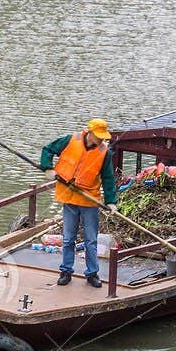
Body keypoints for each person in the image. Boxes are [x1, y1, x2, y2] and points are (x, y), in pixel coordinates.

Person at [39, 119, 118, 287]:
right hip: (69, 196)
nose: (101, 140)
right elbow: (48, 150)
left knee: (91, 239)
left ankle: (92, 274)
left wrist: (111, 201)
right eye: (99, 136)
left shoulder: (105, 152)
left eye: (103, 137)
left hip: (89, 199)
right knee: (68, 238)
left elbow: (108, 178)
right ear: (90, 133)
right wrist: (48, 168)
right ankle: (66, 271)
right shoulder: (70, 140)